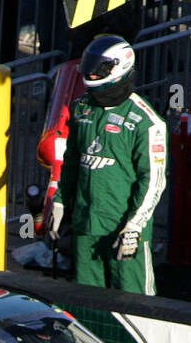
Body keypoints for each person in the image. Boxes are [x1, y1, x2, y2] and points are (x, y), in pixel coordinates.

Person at [50, 35, 167, 293]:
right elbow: (70, 162)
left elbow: (154, 182)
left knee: (137, 307)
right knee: (87, 307)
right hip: (86, 225)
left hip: (124, 231)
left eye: (98, 67)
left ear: (119, 66)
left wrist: (134, 226)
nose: (91, 75)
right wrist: (59, 201)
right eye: (89, 66)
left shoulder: (147, 122)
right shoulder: (81, 108)